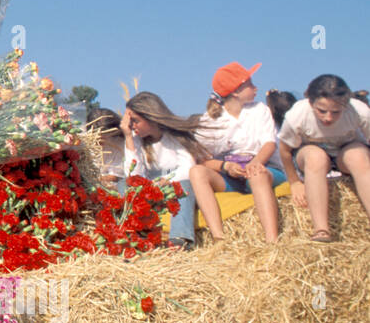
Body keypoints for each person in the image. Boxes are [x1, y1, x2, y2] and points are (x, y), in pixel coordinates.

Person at [188, 62, 285, 243]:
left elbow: (269, 144)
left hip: (265, 169)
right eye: (249, 84)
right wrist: (226, 166)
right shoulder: (210, 120)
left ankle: (272, 241)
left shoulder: (259, 110)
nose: (255, 87)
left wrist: (255, 163)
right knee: (196, 172)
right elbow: (201, 159)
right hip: (232, 175)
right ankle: (218, 237)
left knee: (257, 175)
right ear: (236, 91)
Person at [277, 74, 370, 242]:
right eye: (322, 111)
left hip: (345, 153)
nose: (328, 117)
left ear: (346, 105)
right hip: (310, 153)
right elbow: (284, 150)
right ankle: (321, 229)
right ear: (311, 103)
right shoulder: (297, 115)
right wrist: (294, 182)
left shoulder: (360, 112)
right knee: (316, 158)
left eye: (336, 112)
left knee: (358, 156)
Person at [121, 92, 211, 248]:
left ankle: (180, 239)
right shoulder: (136, 139)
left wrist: (167, 180)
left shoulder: (175, 136)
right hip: (150, 191)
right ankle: (129, 236)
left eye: (135, 121)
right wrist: (128, 137)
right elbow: (134, 175)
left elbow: (188, 166)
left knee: (184, 187)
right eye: (130, 122)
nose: (133, 126)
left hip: (173, 186)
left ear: (150, 117)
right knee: (123, 184)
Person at [85, 106, 126, 184]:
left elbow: (114, 175)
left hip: (107, 186)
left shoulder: (119, 144)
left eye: (105, 136)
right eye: (95, 137)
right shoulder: (82, 141)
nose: (100, 140)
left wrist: (92, 179)